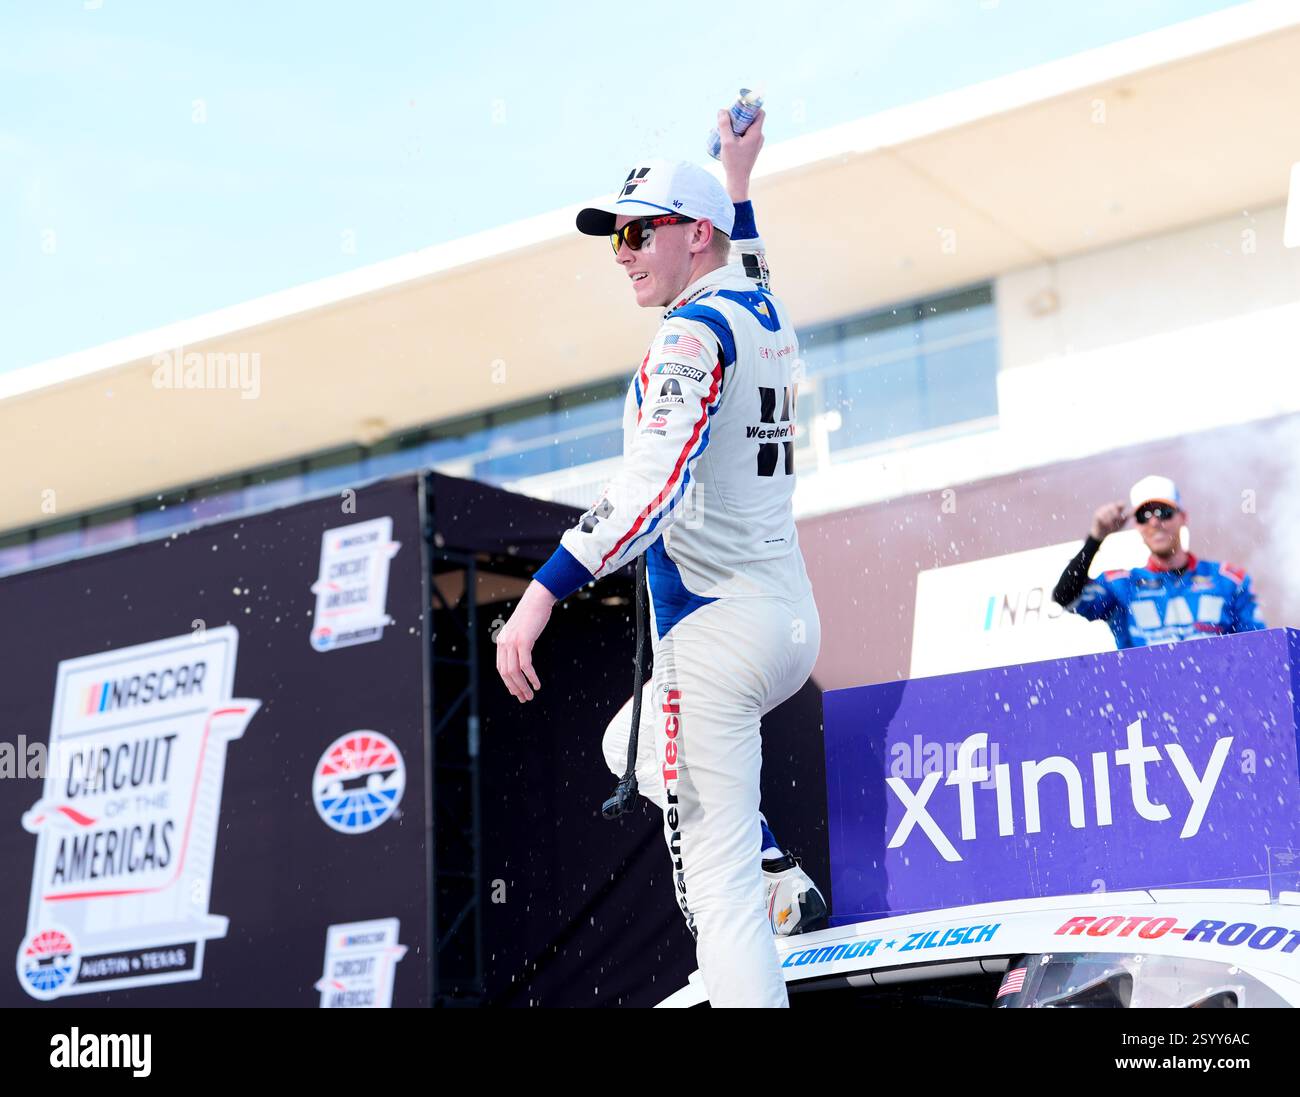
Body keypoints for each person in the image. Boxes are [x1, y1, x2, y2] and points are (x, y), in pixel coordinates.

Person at [494, 109, 822, 1007]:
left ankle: (758, 882)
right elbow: (749, 253)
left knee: (719, 909)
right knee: (625, 743)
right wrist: (739, 173)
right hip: (780, 618)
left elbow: (651, 486)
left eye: (640, 231)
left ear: (695, 233)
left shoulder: (687, 336)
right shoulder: (759, 304)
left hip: (719, 636)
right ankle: (772, 865)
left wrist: (541, 593)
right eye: (616, 237)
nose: (625, 251)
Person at [1051, 474, 1266, 647]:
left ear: (1183, 517)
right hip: (1148, 699)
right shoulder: (1121, 585)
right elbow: (1064, 596)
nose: (1154, 522)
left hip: (1219, 697)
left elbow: (1259, 647)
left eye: (1163, 512)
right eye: (1144, 515)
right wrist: (1096, 538)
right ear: (1136, 525)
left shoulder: (1228, 580)